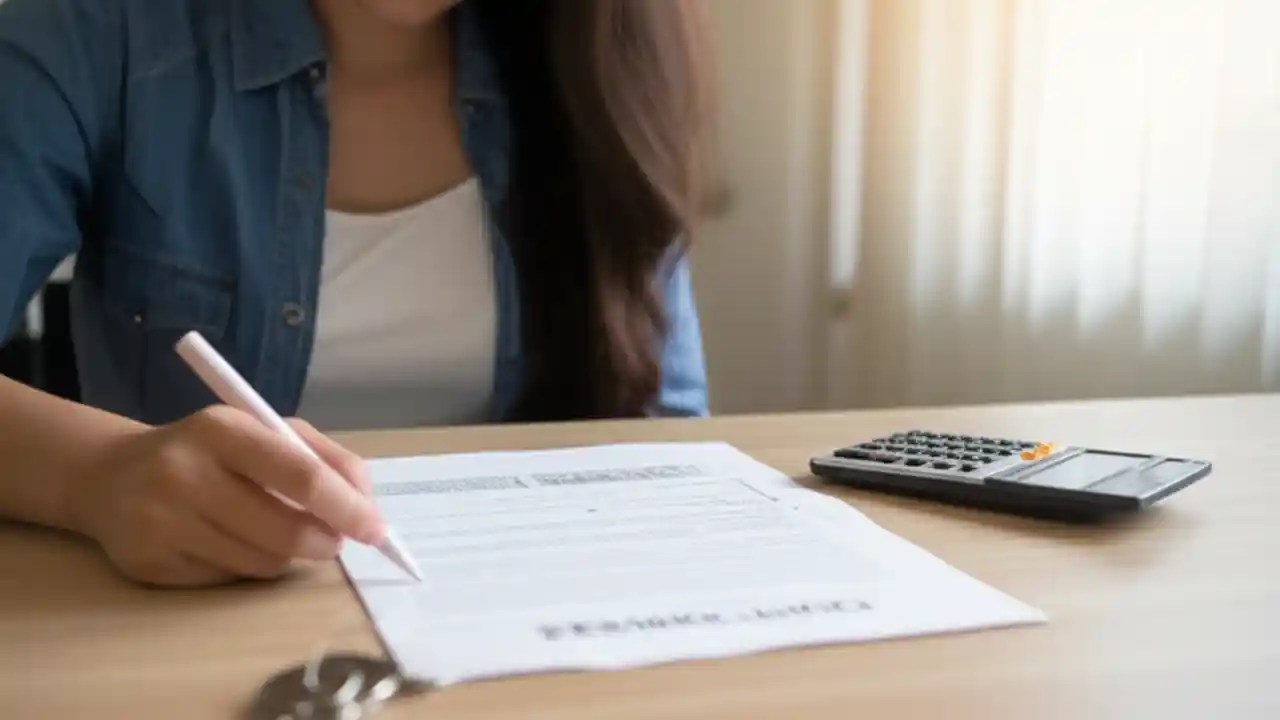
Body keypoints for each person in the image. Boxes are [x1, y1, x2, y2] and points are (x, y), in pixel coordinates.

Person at [0, 0, 714, 587]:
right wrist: (93, 477)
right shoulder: (91, 32)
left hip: (518, 621)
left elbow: (663, 431)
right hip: (187, 627)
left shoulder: (601, 51)